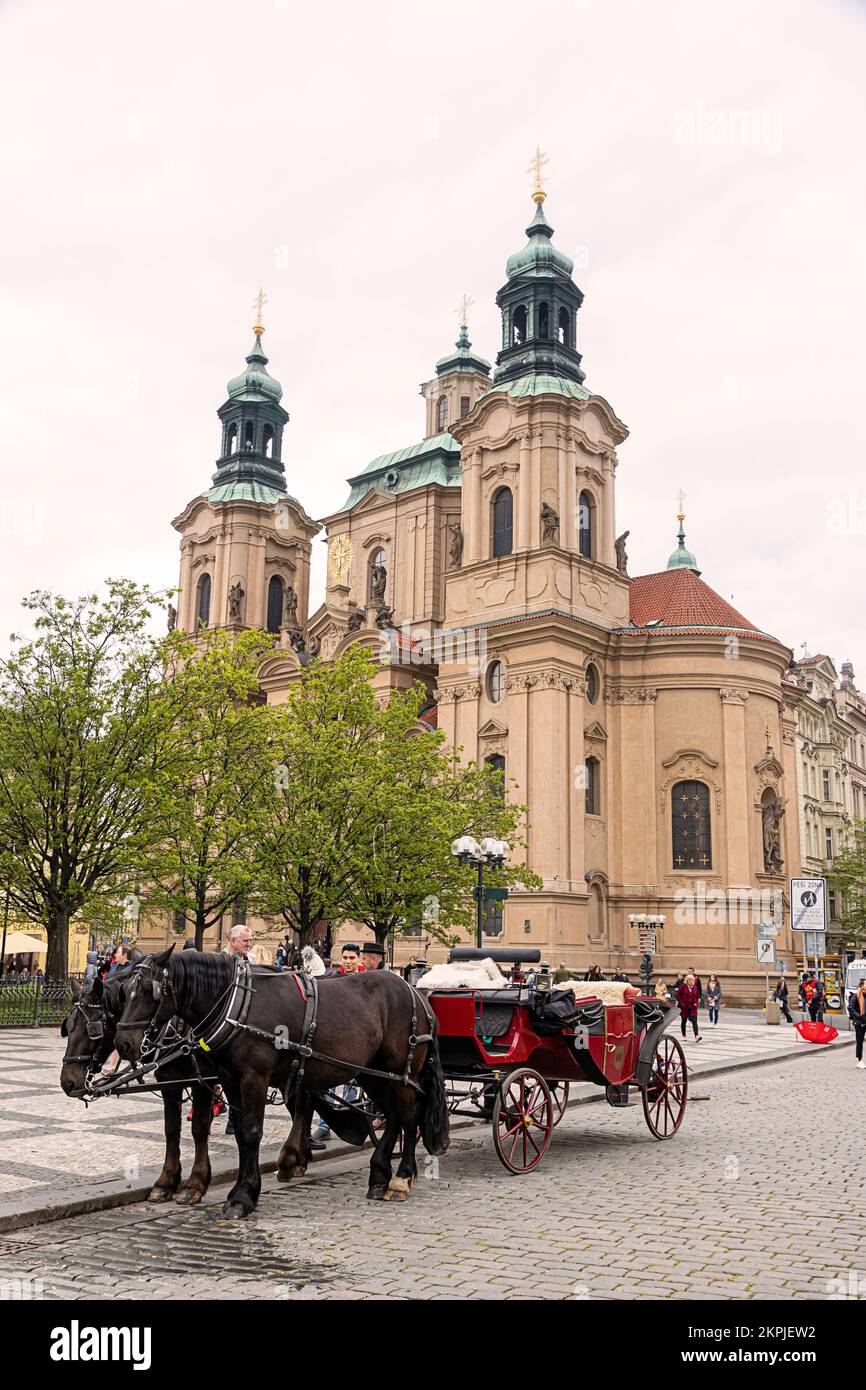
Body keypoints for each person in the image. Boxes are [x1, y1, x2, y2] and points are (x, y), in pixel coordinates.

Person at [675, 970, 702, 1041]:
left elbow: (697, 996)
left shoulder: (695, 987)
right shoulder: (683, 986)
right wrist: (681, 1003)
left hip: (693, 1007)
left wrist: (696, 1003)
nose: (691, 981)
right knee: (684, 1021)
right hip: (684, 1008)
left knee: (694, 1021)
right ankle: (684, 1035)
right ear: (687, 980)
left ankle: (697, 1036)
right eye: (690, 980)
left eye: (692, 980)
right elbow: (678, 995)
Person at [848, 978, 866, 1069]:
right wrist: (859, 1016)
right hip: (860, 1023)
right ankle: (859, 1060)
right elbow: (850, 1007)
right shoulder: (856, 995)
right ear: (862, 986)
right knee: (860, 1041)